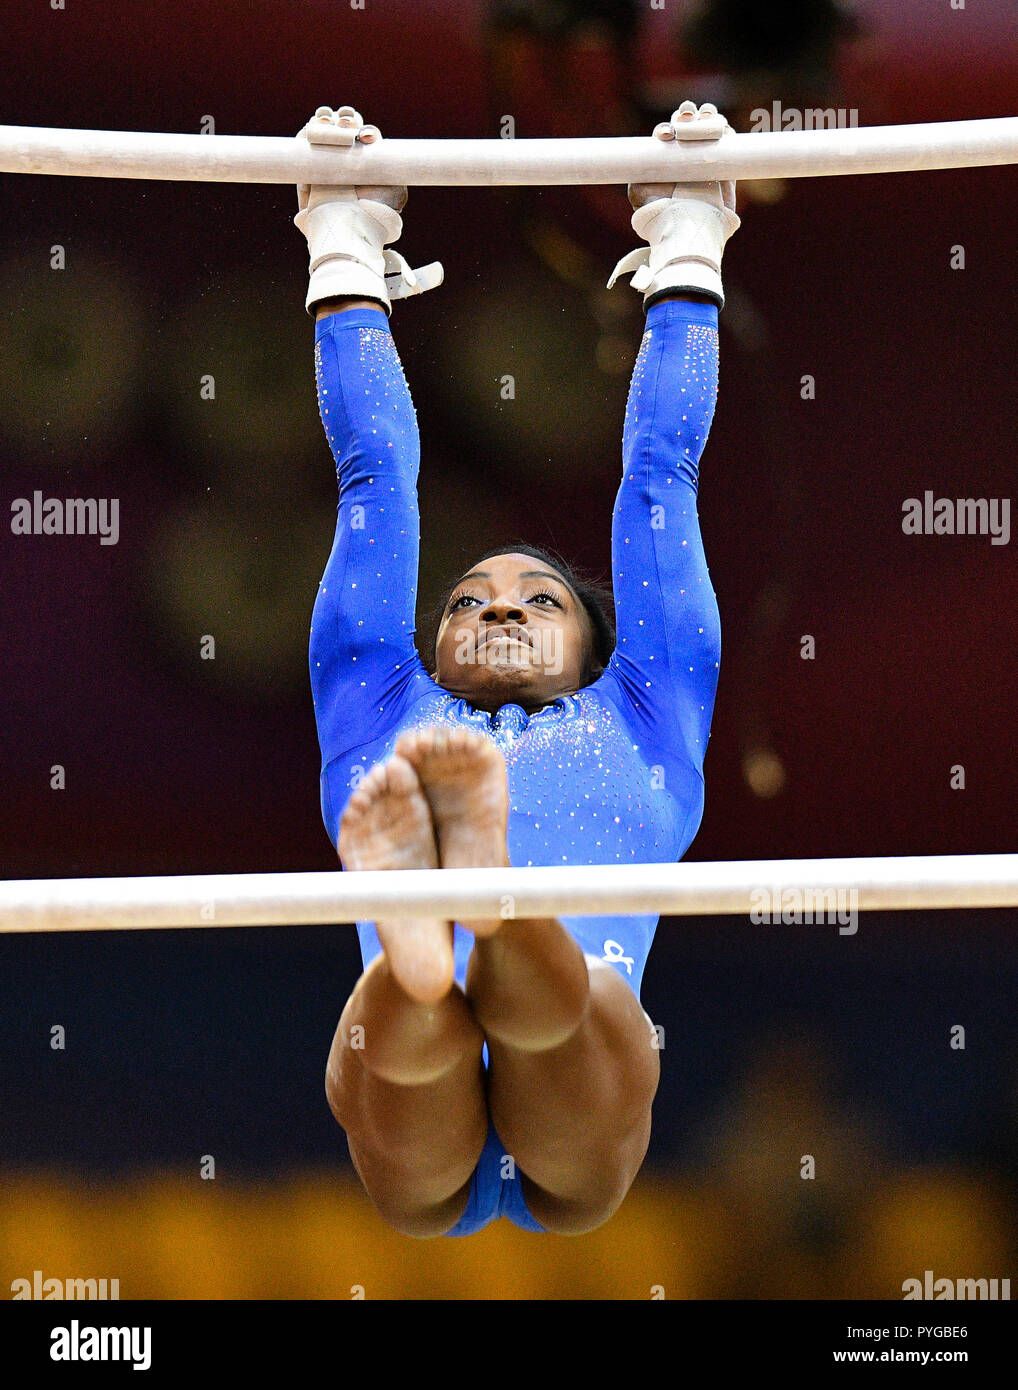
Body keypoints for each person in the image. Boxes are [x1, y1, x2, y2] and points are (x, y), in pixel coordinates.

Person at [295, 101, 739, 1236]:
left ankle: (461, 917)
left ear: (603, 649)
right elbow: (371, 484)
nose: (496, 602)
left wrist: (343, 242)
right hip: (453, 1078)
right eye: (467, 599)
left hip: (568, 1092)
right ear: (427, 647)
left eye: (539, 599)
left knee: (538, 1012)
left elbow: (661, 476)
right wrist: (686, 240)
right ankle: (450, 931)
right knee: (417, 1032)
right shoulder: (385, 708)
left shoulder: (647, 707)